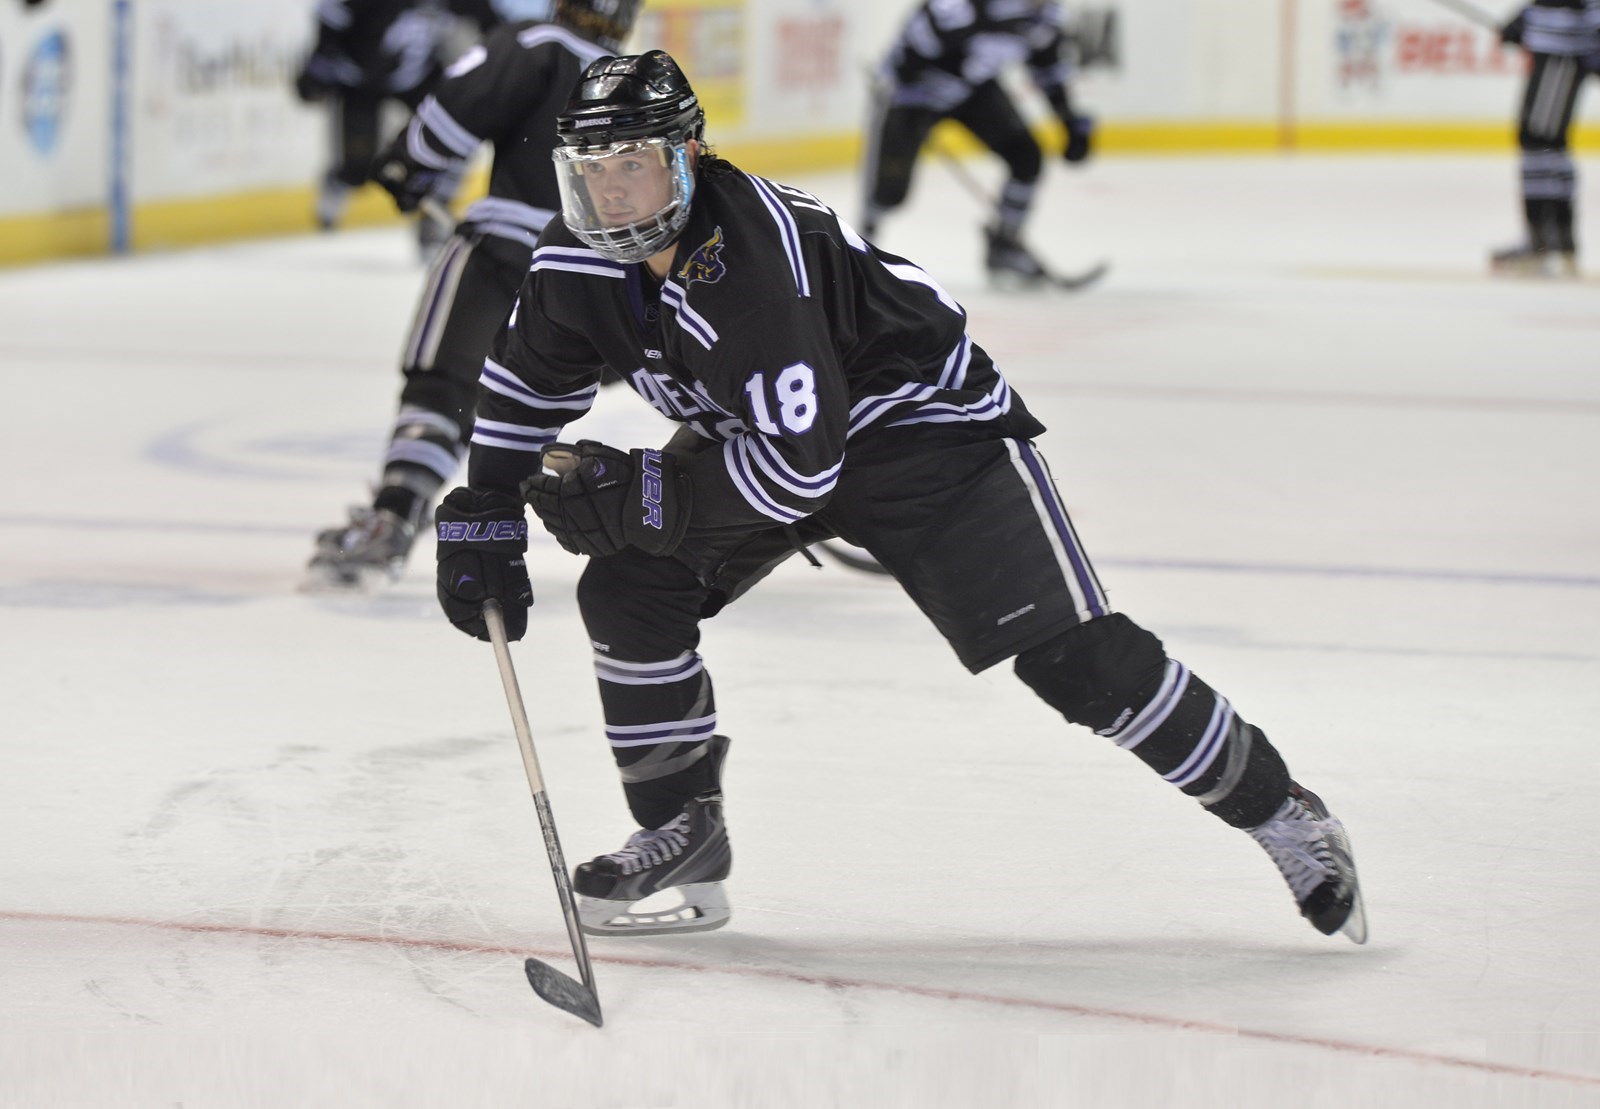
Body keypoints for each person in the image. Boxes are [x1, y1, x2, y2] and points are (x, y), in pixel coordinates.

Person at [432, 51, 1367, 945]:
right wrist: (485, 510)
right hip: (775, 429)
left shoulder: (754, 264)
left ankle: (1283, 812)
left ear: (688, 156)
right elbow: (525, 386)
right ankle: (683, 830)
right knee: (630, 590)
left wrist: (652, 492)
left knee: (1070, 659)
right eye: (593, 172)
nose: (613, 194)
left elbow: (801, 467)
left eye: (634, 166)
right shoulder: (573, 261)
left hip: (923, 430)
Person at [304, 0, 641, 591]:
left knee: (443, 389)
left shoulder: (538, 43)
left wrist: (410, 165)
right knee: (520, 411)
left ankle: (396, 516)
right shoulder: (640, 84)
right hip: (604, 276)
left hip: (508, 250)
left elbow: (450, 116)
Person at [861, 0, 1093, 284]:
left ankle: (1005, 244)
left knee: (1026, 156)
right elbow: (917, 39)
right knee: (890, 190)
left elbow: (1046, 64)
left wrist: (1067, 117)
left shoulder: (1046, 16)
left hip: (972, 89)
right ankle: (858, 249)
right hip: (915, 93)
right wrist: (906, 80)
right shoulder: (972, 5)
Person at [292, 0, 501, 258]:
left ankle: (432, 218)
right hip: (359, 82)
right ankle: (341, 181)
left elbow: (493, 24)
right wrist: (320, 60)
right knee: (360, 166)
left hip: (418, 77)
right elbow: (332, 16)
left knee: (451, 138)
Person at [1491, 0, 1600, 276]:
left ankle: (1547, 242)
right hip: (1552, 51)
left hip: (1560, 55)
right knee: (1540, 141)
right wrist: (1527, 19)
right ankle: (1553, 241)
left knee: (1542, 142)